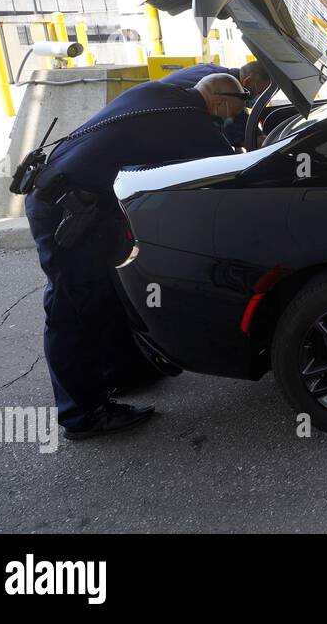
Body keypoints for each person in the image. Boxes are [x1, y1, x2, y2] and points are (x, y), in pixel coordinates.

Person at [24, 74, 249, 440]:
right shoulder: (191, 123)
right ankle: (82, 415)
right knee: (72, 311)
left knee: (108, 294)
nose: (231, 120)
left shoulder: (160, 91)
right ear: (222, 103)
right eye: (235, 112)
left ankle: (121, 374)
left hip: (69, 198)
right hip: (67, 212)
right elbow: (231, 172)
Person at [162, 61, 271, 148]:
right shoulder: (225, 93)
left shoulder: (218, 74)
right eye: (260, 93)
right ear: (247, 82)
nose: (260, 98)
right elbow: (249, 139)